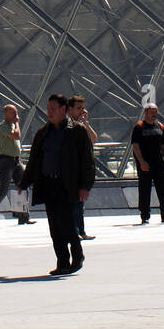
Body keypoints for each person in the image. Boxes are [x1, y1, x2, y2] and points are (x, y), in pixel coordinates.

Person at [18, 94, 94, 276]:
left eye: (53, 109)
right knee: (54, 226)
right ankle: (62, 261)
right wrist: (24, 183)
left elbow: (87, 161)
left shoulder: (77, 131)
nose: (49, 112)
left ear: (63, 110)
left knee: (66, 223)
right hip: (48, 183)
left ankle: (77, 257)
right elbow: (34, 161)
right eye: (48, 109)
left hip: (67, 184)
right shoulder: (43, 132)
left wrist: (85, 186)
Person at [0, 104, 34, 227]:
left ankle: (23, 217)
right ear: (6, 114)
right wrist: (18, 124)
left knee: (23, 187)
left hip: (16, 161)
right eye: (13, 113)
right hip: (6, 161)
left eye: (16, 112)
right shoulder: (2, 127)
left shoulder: (12, 126)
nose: (16, 115)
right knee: (4, 189)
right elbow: (17, 136)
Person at [131, 104, 164, 224]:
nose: (154, 114)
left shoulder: (160, 126)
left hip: (159, 163)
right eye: (152, 112)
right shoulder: (139, 127)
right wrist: (141, 162)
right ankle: (145, 215)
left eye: (156, 112)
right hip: (145, 164)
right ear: (146, 112)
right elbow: (135, 146)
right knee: (145, 190)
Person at [68, 96, 97, 239]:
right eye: (78, 108)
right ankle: (74, 231)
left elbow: (94, 139)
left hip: (82, 170)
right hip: (71, 170)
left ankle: (81, 231)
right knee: (73, 203)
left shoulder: (81, 125)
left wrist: (85, 124)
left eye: (82, 108)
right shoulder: (66, 125)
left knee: (80, 204)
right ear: (70, 109)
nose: (81, 111)